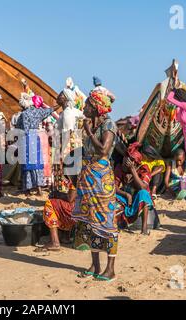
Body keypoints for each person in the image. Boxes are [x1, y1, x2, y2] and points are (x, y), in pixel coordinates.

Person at [72, 89, 119, 282]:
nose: (84, 107)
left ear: (97, 108)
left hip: (102, 180)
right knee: (89, 221)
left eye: (88, 105)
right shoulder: (90, 123)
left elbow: (103, 150)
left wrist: (90, 132)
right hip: (87, 177)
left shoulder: (109, 125)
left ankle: (110, 268)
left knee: (106, 222)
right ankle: (95, 264)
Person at [16, 93, 58, 196]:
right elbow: (50, 110)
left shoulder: (22, 115)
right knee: (37, 164)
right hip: (35, 137)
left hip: (25, 139)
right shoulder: (37, 112)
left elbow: (18, 129)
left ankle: (27, 190)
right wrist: (60, 104)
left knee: (27, 165)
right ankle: (39, 189)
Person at [114, 142, 154, 235]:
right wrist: (126, 194)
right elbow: (114, 187)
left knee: (143, 193)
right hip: (126, 199)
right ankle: (119, 223)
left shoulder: (143, 169)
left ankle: (144, 229)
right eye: (124, 158)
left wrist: (132, 171)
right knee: (111, 195)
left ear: (135, 163)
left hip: (139, 199)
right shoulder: (120, 168)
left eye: (128, 161)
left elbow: (143, 187)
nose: (124, 161)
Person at [38, 176, 77, 252]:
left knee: (50, 204)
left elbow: (70, 198)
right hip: (87, 207)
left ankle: (55, 242)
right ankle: (65, 237)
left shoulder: (77, 176)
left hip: (78, 210)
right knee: (60, 205)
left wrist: (58, 195)